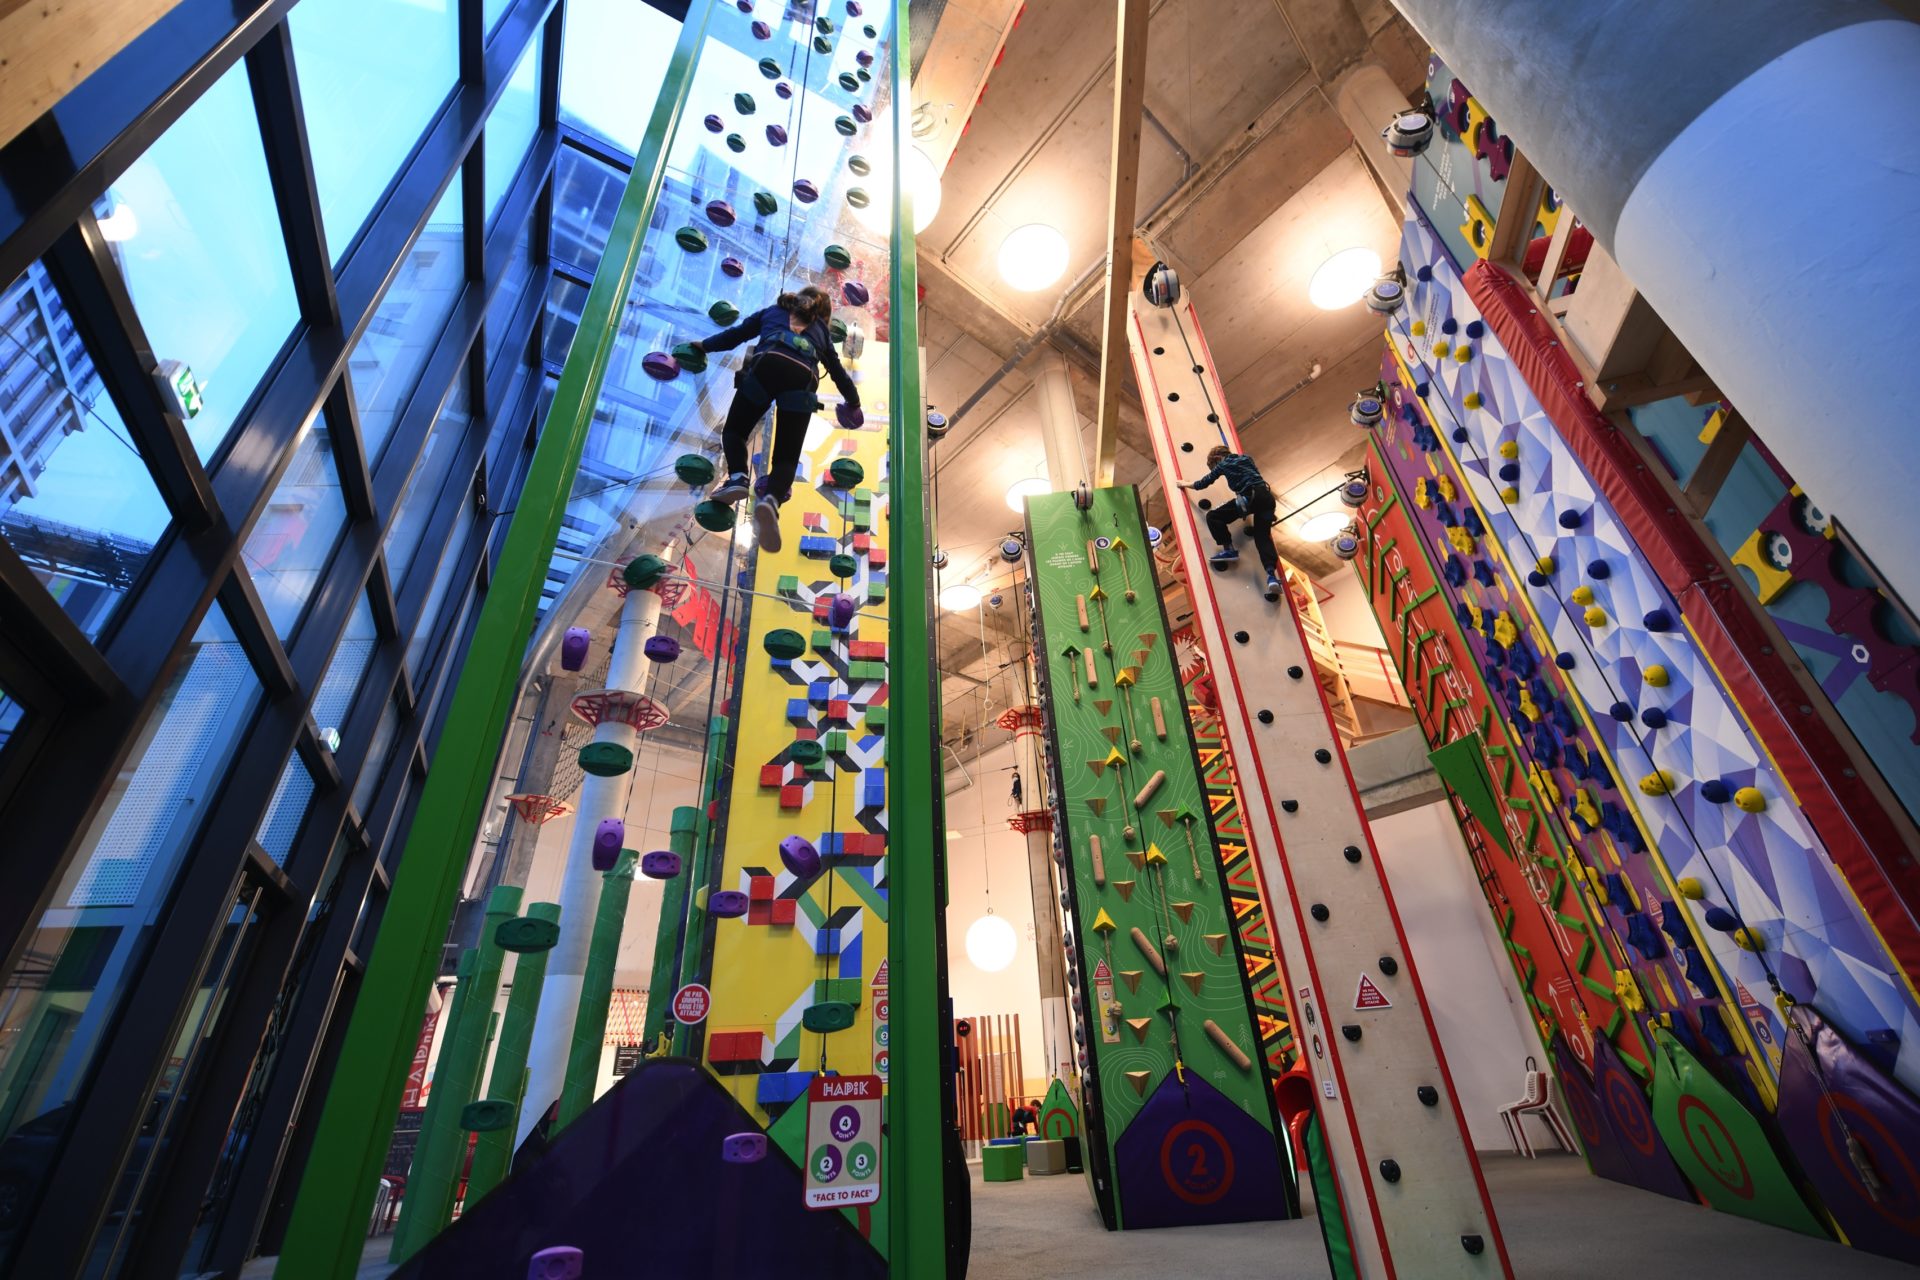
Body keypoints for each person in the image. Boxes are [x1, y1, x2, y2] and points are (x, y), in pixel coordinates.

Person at [686, 285, 861, 552]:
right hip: (802, 380)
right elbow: (837, 372)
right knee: (786, 457)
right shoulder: (823, 333)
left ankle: (738, 478)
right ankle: (772, 501)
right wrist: (854, 403)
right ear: (824, 315)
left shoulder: (774, 311)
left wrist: (703, 346)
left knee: (735, 432)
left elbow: (737, 335)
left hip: (767, 366)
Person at [1180, 444, 1282, 601]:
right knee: (1262, 538)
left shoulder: (1223, 464)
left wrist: (1184, 484)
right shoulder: (1247, 458)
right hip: (1267, 499)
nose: (1215, 468)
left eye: (1213, 466)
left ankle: (1229, 549)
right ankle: (1271, 577)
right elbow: (1252, 476)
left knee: (1213, 516)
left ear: (1216, 459)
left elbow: (1202, 484)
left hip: (1250, 498)